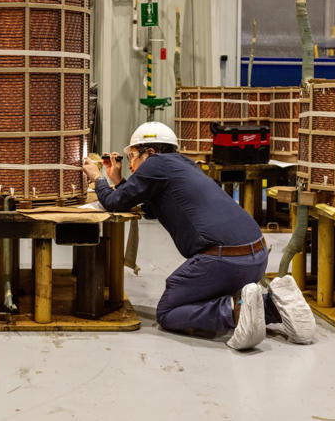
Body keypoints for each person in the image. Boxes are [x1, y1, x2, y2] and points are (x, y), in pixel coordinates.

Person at [82, 121, 315, 350]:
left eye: (132, 156)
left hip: (225, 262)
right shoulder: (184, 164)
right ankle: (272, 306)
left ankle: (237, 312)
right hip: (256, 257)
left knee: (168, 312)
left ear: (150, 152)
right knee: (193, 296)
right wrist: (119, 182)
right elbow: (149, 208)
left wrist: (98, 178)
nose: (131, 165)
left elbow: (114, 202)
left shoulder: (154, 165)